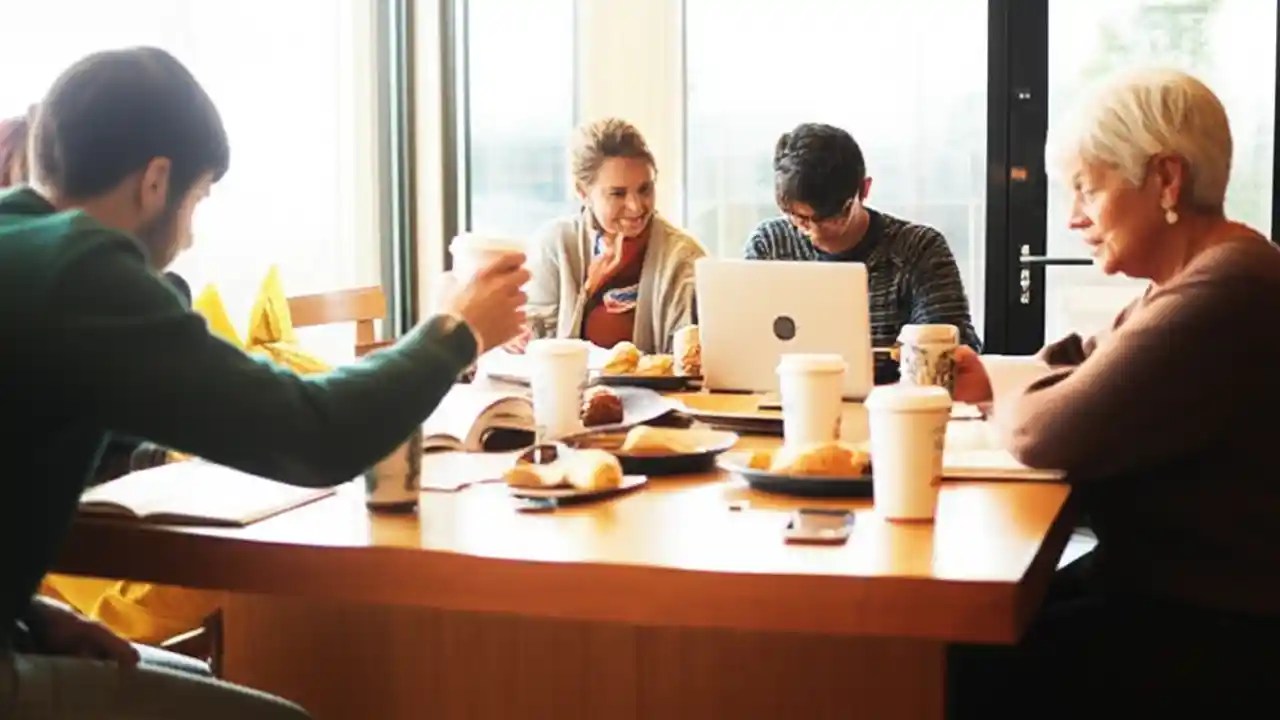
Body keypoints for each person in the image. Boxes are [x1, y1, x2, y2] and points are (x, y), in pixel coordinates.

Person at [0, 47, 527, 719]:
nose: (187, 238)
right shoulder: (79, 271)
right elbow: (317, 435)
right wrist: (456, 328)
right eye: (197, 201)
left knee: (181, 677)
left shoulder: (20, 244)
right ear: (155, 182)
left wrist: (30, 615)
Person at [947, 68, 1280, 718]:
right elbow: (1084, 357)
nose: (1072, 218)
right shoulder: (1195, 280)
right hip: (1168, 593)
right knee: (970, 630)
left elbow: (1046, 431)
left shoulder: (1230, 289)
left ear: (1166, 179)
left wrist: (1005, 397)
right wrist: (1017, 385)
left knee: (950, 661)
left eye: (1086, 190)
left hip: (1217, 630)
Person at [745, 123, 980, 382]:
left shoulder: (918, 249)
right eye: (796, 217)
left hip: (892, 406)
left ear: (864, 190)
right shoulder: (770, 245)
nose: (808, 229)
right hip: (785, 399)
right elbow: (748, 342)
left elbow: (952, 349)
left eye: (826, 218)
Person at [522, 117, 705, 354]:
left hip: (659, 392)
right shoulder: (554, 246)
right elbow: (539, 354)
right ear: (582, 192)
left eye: (645, 189)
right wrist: (588, 291)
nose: (636, 206)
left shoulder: (683, 257)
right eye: (618, 194)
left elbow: (691, 359)